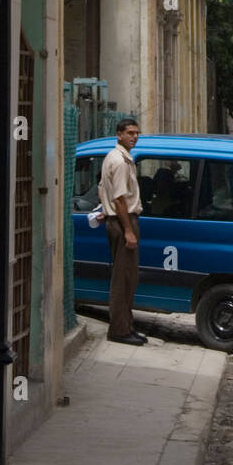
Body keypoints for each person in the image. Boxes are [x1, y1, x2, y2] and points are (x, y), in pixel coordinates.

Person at [99, 118, 147, 345]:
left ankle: (126, 325)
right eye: (130, 133)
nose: (134, 136)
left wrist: (104, 211)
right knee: (123, 279)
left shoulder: (119, 158)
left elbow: (102, 189)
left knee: (129, 277)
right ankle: (119, 330)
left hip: (119, 219)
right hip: (123, 221)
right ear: (119, 135)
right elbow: (119, 199)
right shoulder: (119, 161)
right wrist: (128, 230)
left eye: (137, 133)